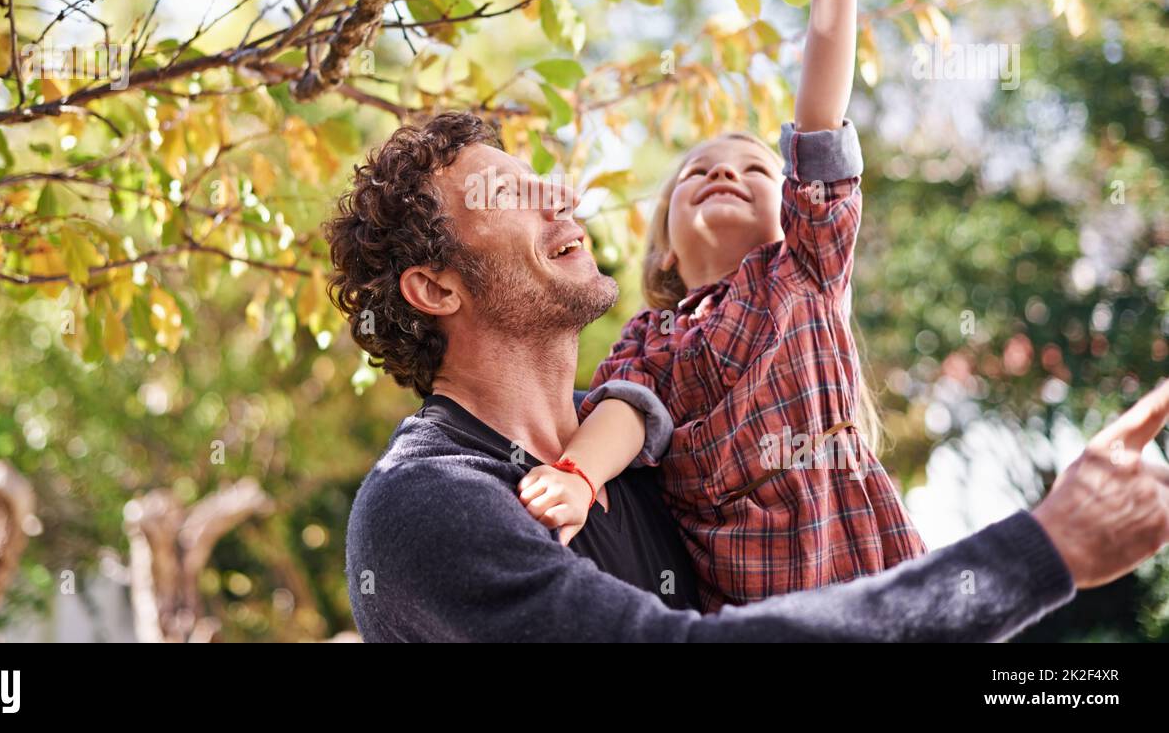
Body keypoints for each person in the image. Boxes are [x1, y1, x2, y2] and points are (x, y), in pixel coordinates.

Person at [325, 110, 1169, 641]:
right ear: (436, 287)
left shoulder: (659, 456)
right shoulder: (427, 503)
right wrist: (1042, 549)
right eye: (509, 194)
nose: (562, 197)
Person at [515, 0, 926, 611]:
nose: (722, 173)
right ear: (665, 247)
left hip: (864, 574)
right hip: (747, 606)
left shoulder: (803, 268)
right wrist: (577, 475)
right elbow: (627, 411)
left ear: (792, 210)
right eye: (697, 171)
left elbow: (819, 128)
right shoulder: (652, 337)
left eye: (752, 169)